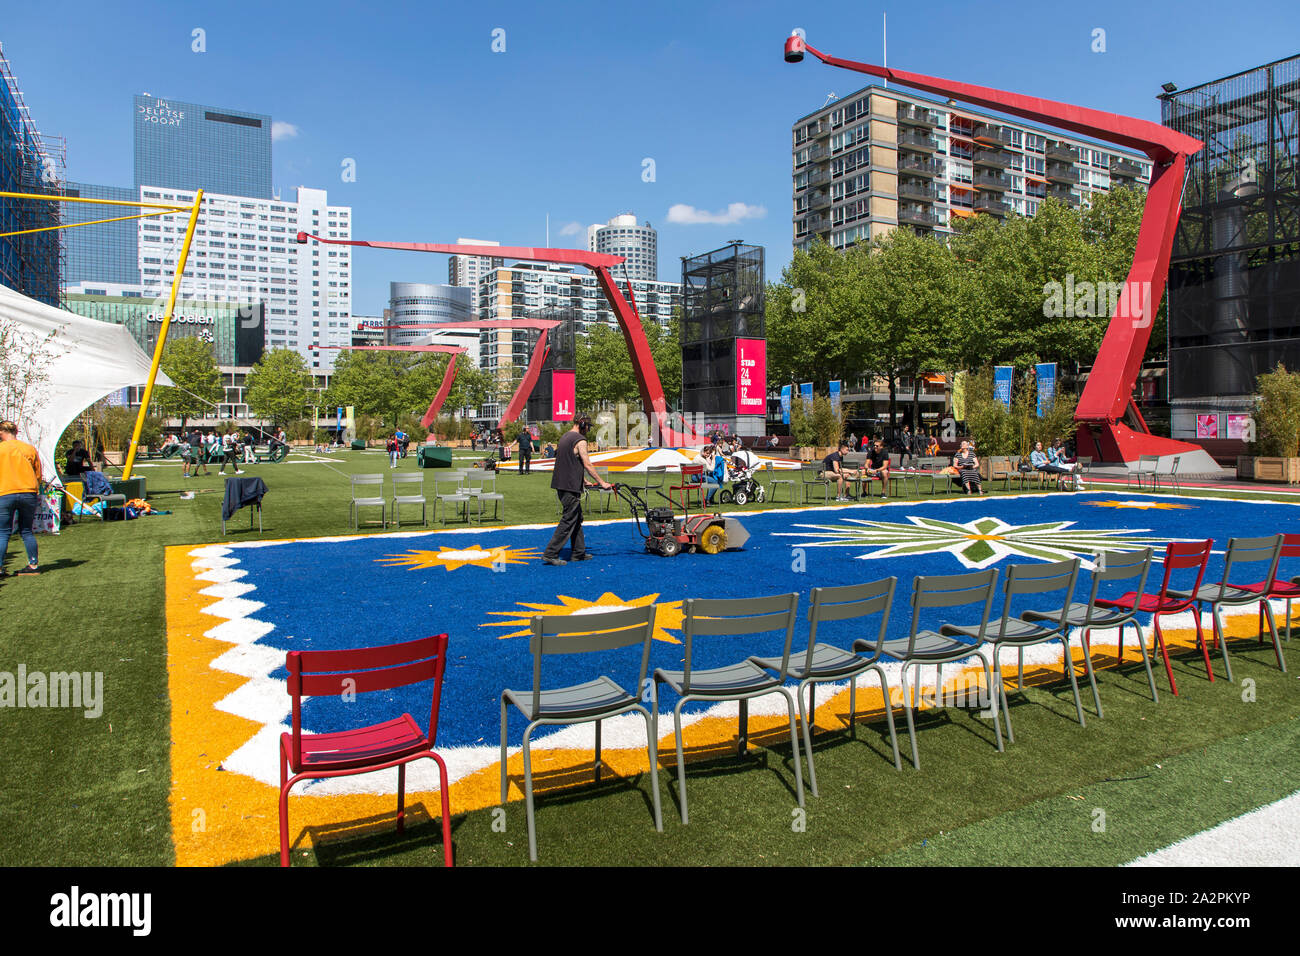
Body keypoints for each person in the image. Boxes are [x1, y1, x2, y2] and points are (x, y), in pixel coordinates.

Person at [543, 415, 611, 566]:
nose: (588, 429)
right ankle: (550, 553)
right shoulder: (580, 440)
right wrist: (602, 482)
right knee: (568, 519)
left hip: (562, 484)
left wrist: (583, 480)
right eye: (588, 426)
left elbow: (568, 463)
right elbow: (587, 464)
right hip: (569, 486)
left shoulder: (565, 437)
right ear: (582, 424)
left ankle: (578, 553)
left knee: (577, 517)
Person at [0, 419, 43, 576]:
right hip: (28, 492)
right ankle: (33, 565)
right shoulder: (29, 449)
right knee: (26, 531)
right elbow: (38, 473)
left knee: (3, 532)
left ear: (1, 432)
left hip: (5, 492)